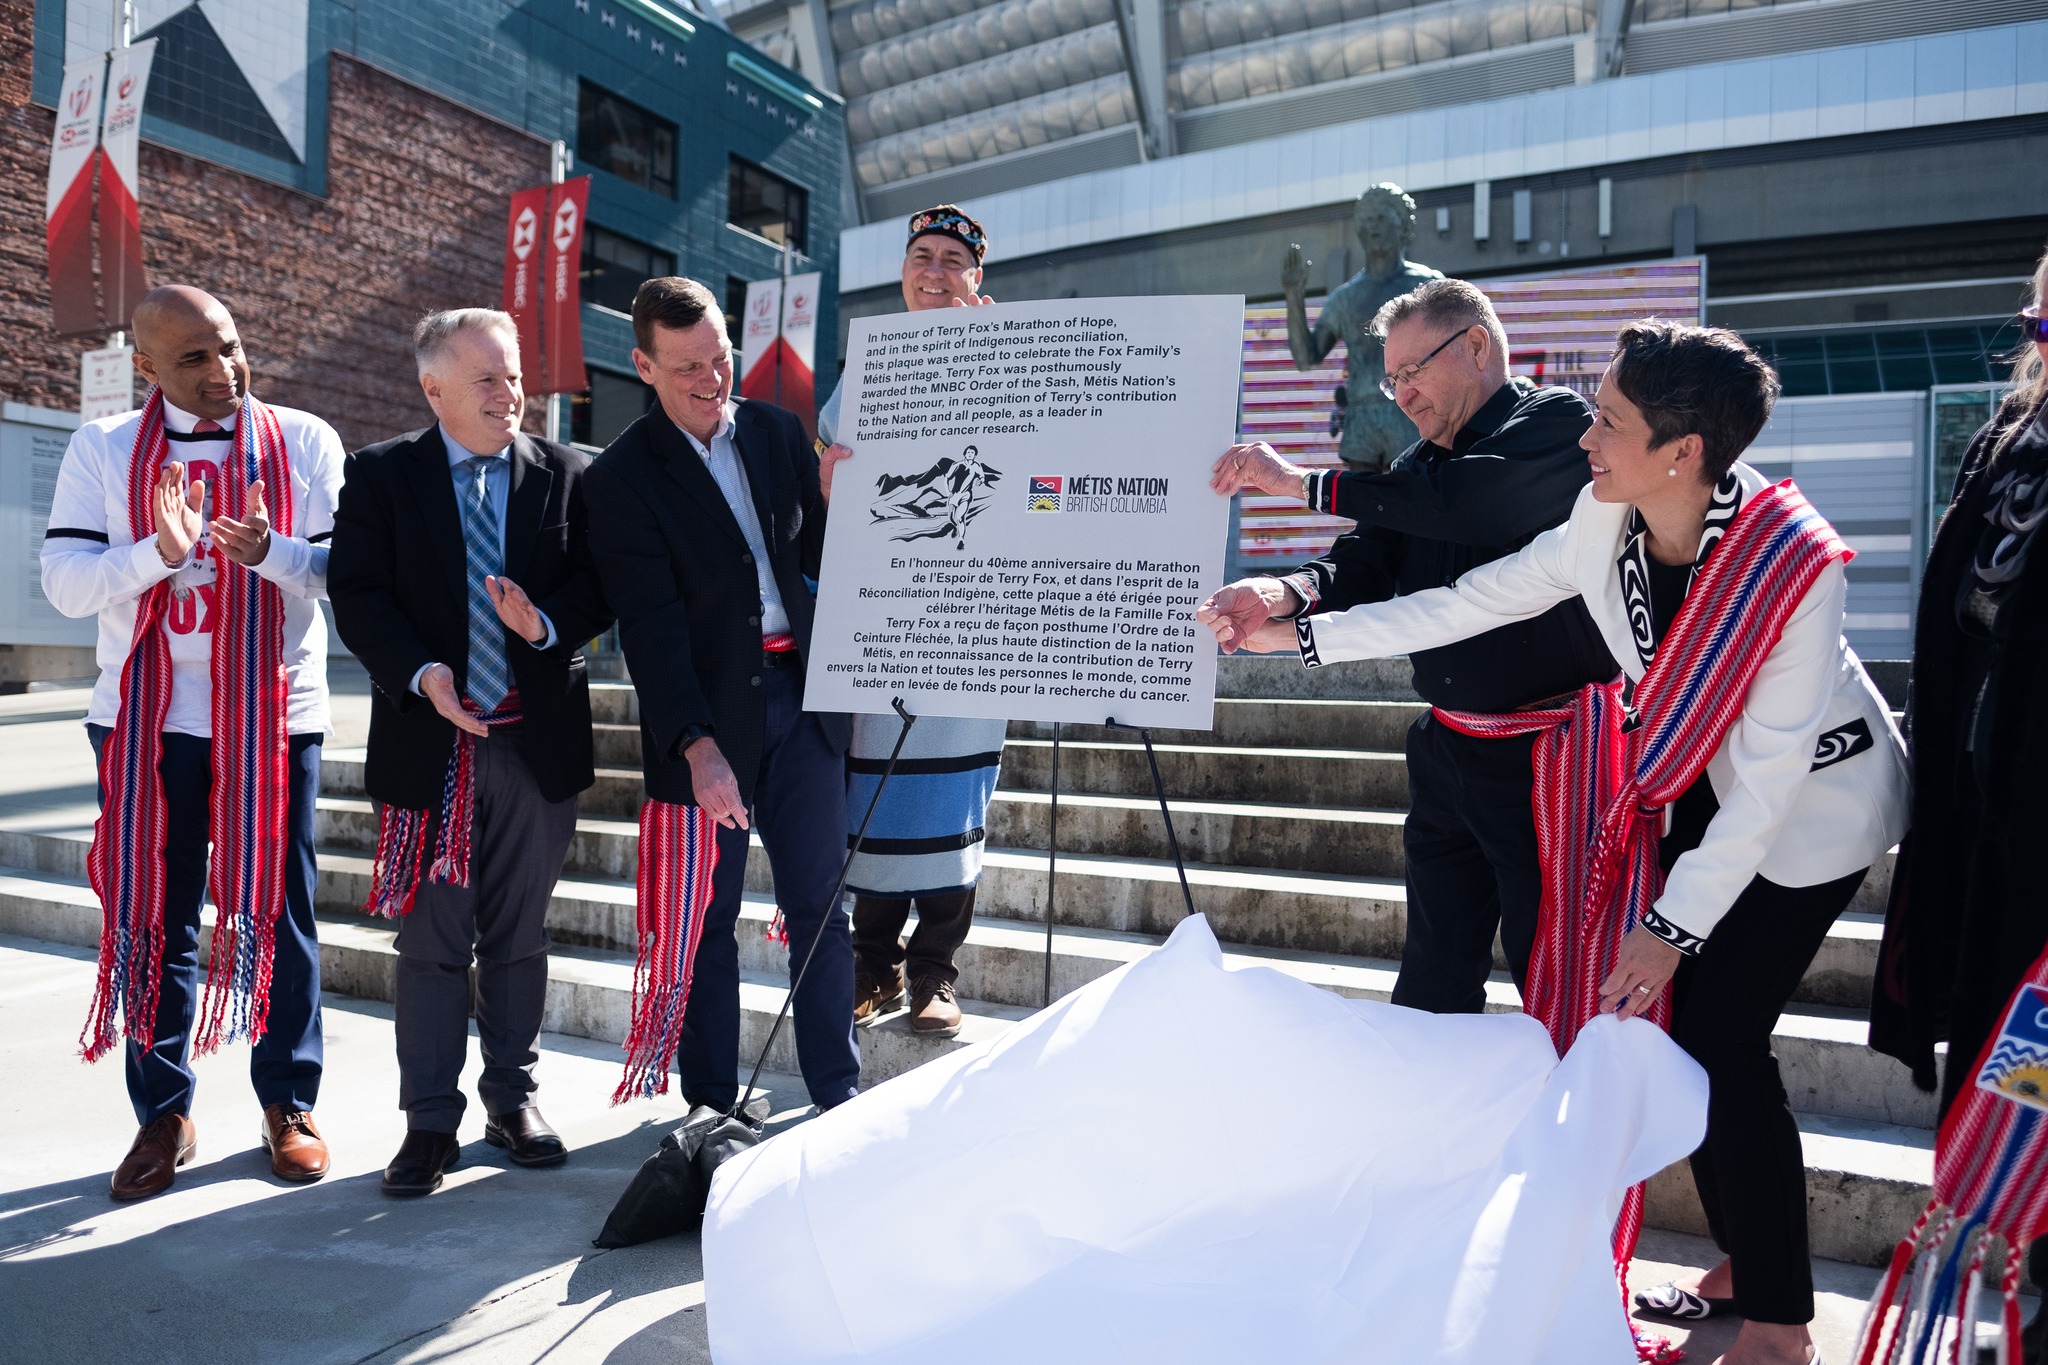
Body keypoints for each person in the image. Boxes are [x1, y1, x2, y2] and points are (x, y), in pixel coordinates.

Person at [1206, 322, 1907, 1365]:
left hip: (1812, 816)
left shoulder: (1792, 566)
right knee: (1682, 1032)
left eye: (1610, 421)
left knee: (1716, 1034)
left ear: (1680, 452)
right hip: (1704, 791)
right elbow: (1480, 597)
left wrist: (1666, 928)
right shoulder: (1608, 511)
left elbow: (1765, 793)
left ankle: (1777, 1323)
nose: (1587, 437)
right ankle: (1746, 1258)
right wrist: (1302, 635)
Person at [1206, 278, 1613, 1013]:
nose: (1400, 395)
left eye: (1411, 371)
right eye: (1390, 379)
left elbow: (1472, 508)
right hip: (1447, 750)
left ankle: (1573, 1122)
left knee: (1560, 978)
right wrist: (1282, 593)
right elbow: (1363, 559)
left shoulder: (1557, 423)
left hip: (1546, 751)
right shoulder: (1421, 461)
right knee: (1430, 981)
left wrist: (1299, 483)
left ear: (1478, 346)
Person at [42, 284, 342, 1200]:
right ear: (147, 368)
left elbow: (349, 570)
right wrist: (156, 556)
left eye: (230, 347)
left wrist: (270, 554)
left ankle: (287, 1101)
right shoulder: (102, 446)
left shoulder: (304, 439)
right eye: (193, 360)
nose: (222, 372)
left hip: (275, 716)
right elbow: (63, 581)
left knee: (279, 915)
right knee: (152, 918)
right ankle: (162, 1113)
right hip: (142, 721)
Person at [327, 308, 611, 1196]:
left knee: (520, 937)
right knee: (434, 944)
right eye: (486, 378)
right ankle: (429, 1122)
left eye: (515, 373)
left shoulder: (570, 474)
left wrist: (548, 622)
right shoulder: (380, 475)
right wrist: (422, 673)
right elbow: (358, 594)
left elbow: (602, 584)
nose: (510, 392)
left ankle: (512, 1100)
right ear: (434, 388)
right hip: (431, 744)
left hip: (539, 745)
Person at [582, 277, 859, 1113]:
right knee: (710, 921)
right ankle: (708, 1102)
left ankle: (836, 1092)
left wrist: (838, 509)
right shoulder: (622, 478)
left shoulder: (777, 433)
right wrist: (697, 745)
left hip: (804, 705)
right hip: (710, 720)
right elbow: (651, 630)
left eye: (721, 357)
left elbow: (815, 557)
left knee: (821, 906)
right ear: (644, 365)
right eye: (689, 366)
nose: (712, 378)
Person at [1870, 249, 2048, 1362]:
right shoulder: (2007, 435)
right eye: (2037, 317)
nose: (2036, 336)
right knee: (1995, 1024)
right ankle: (2011, 1262)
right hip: (1988, 781)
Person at [818, 204, 1003, 1037]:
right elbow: (835, 462)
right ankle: (873, 962)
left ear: (977, 276)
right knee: (876, 792)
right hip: (886, 610)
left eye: (951, 260)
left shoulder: (1014, 354)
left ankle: (935, 971)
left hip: (971, 611)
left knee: (952, 796)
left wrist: (1002, 363)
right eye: (920, 255)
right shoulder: (874, 362)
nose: (934, 271)